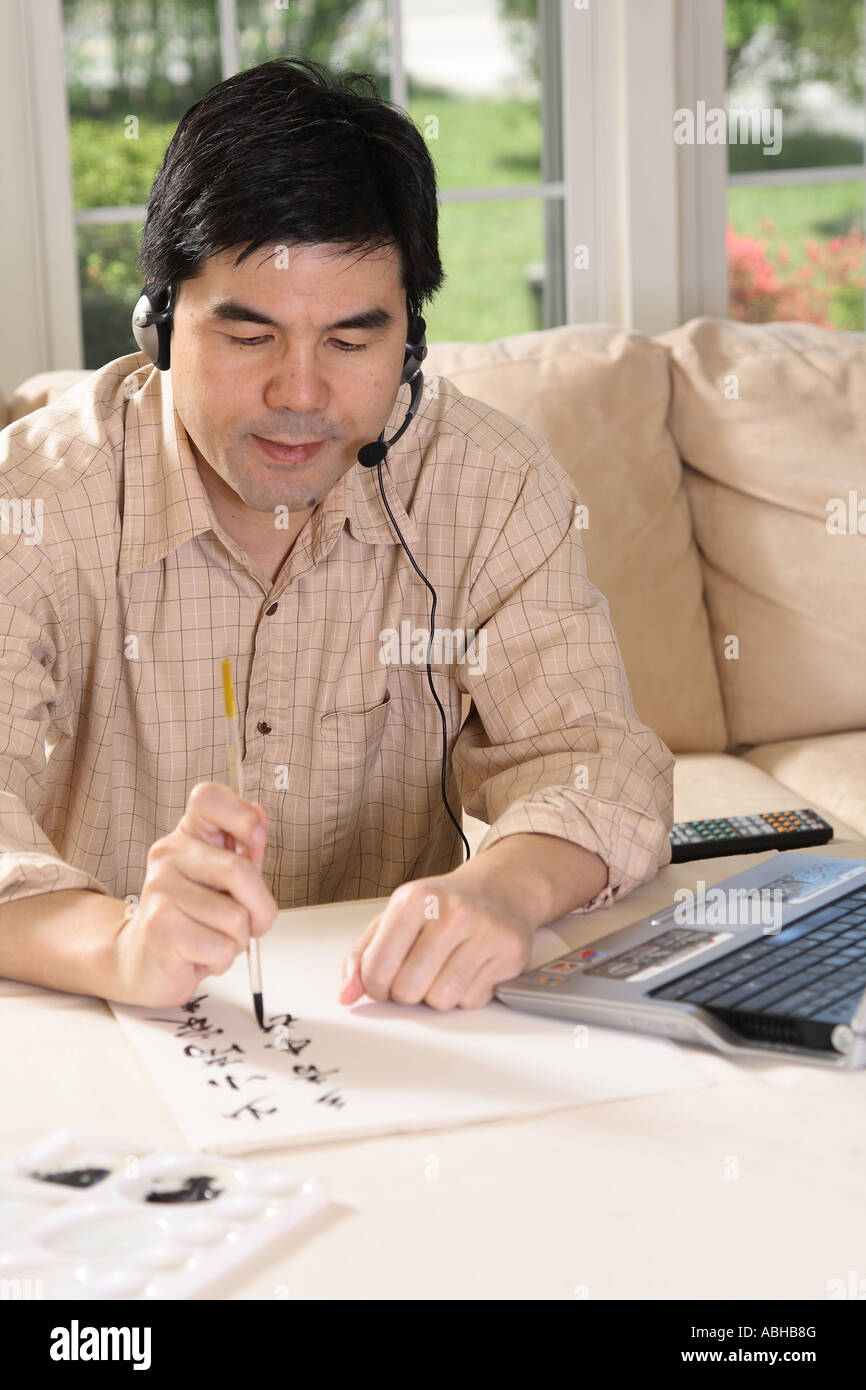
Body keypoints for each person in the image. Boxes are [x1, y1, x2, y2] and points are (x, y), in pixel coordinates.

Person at [0, 57, 674, 1015]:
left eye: (353, 343)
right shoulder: (32, 503)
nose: (301, 396)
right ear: (157, 327)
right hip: (111, 1029)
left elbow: (598, 765)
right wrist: (118, 944)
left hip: (402, 1029)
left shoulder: (488, 485)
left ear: (412, 341)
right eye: (248, 337)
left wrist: (502, 891)